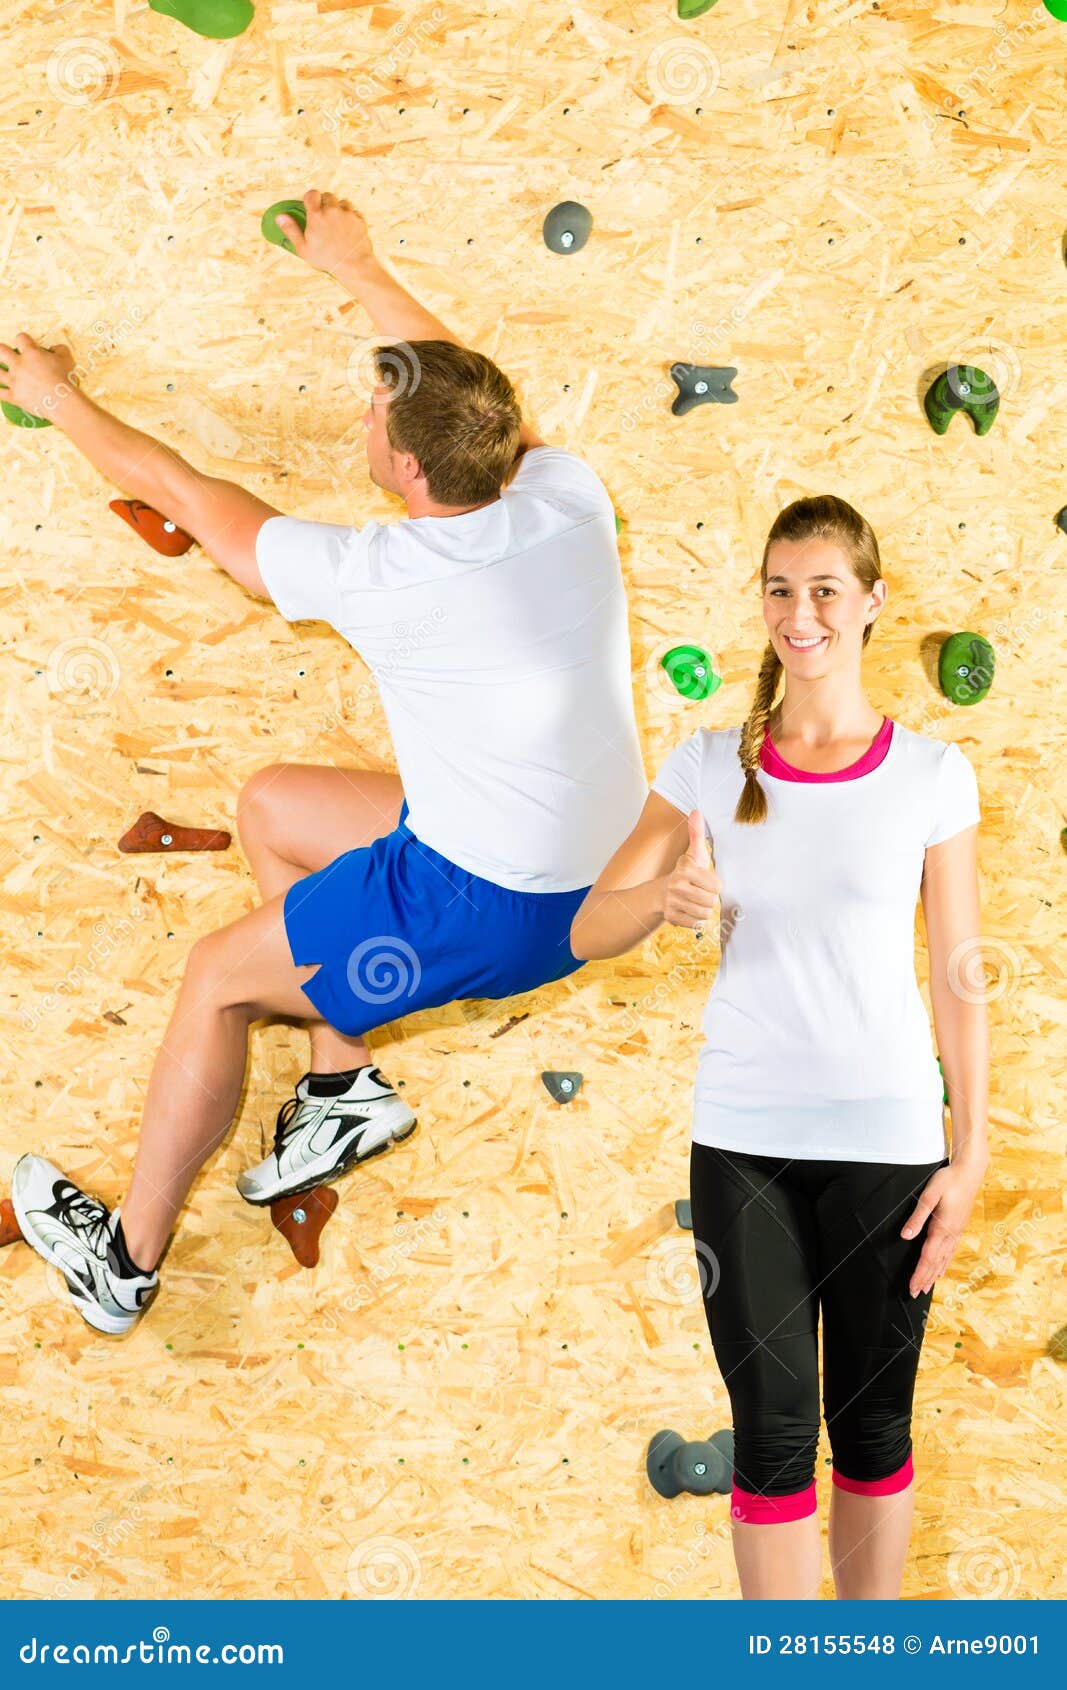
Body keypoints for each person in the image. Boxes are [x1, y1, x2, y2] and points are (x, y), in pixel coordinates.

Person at [2, 190, 647, 1337]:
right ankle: (341, 1086)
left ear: (406, 467)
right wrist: (357, 267)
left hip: (491, 904)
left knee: (215, 976)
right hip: (600, 868)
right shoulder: (567, 498)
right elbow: (478, 391)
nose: (362, 415)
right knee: (275, 807)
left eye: (374, 413)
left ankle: (124, 1262)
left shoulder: (387, 574)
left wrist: (57, 397)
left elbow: (184, 493)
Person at [570, 495, 989, 1600]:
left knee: (872, 1422)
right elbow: (587, 927)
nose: (799, 614)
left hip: (888, 1145)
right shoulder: (707, 765)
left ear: (870, 602)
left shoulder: (931, 774)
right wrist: (661, 899)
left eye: (823, 591)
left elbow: (958, 975)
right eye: (779, 590)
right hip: (742, 1142)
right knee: (769, 1431)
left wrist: (970, 1155)